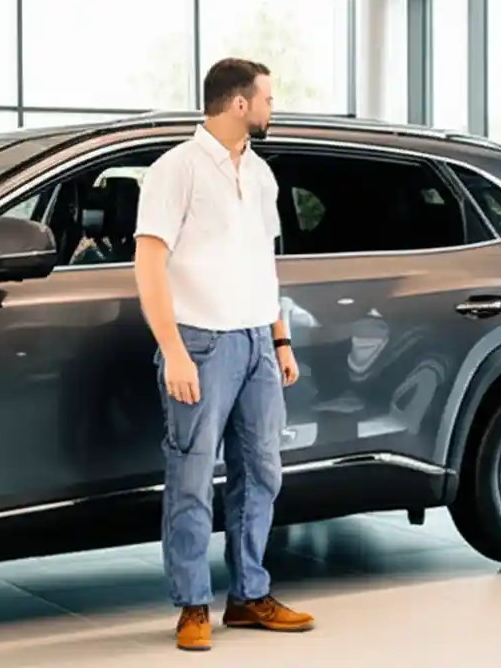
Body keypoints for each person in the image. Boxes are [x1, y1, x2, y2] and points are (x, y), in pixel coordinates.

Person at [134, 57, 314, 651]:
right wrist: (174, 351)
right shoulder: (174, 170)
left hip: (257, 342)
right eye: (267, 98)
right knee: (190, 476)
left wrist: (279, 337)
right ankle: (192, 605)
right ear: (239, 103)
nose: (271, 108)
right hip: (200, 342)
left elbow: (264, 263)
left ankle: (248, 596)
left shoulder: (261, 175)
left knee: (261, 472)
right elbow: (149, 264)